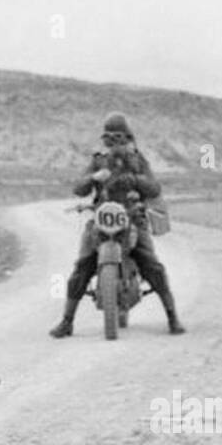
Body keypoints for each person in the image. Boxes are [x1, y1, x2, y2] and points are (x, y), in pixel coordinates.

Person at [49, 112, 185, 337]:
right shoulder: (98, 160)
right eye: (110, 136)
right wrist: (94, 178)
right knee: (82, 267)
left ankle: (172, 317)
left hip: (133, 219)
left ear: (127, 137)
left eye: (119, 136)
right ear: (104, 138)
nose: (114, 141)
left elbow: (154, 188)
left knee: (152, 266)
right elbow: (78, 188)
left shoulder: (138, 160)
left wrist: (136, 179)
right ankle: (67, 321)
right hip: (101, 220)